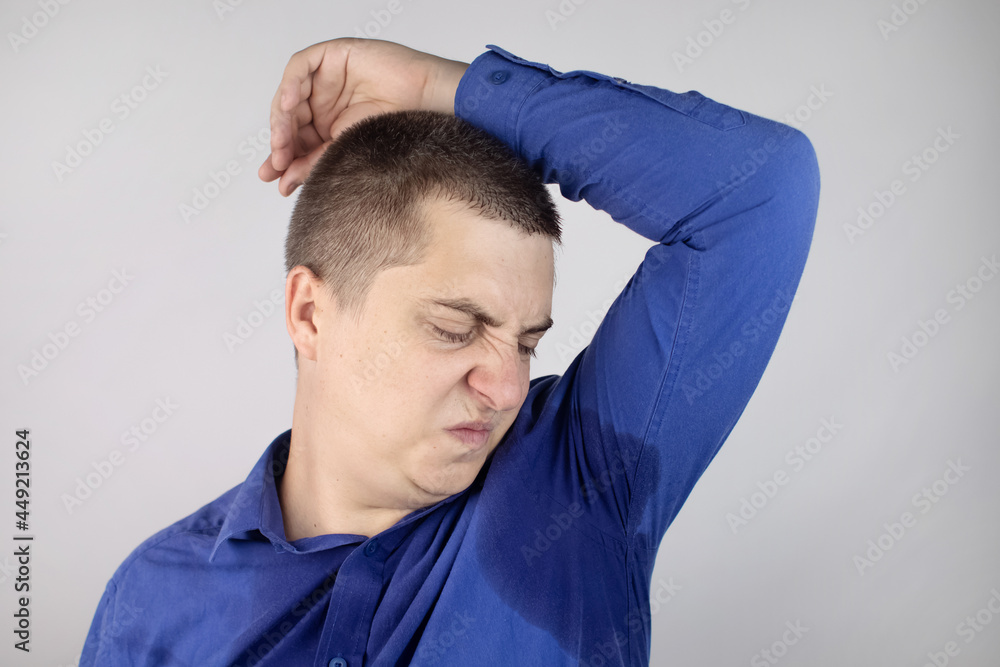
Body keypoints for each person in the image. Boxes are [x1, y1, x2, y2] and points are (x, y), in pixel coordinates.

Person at [80, 38, 819, 666]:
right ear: (310, 313)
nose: (504, 386)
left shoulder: (580, 482)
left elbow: (759, 189)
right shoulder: (151, 601)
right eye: (454, 327)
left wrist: (438, 86)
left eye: (527, 341)